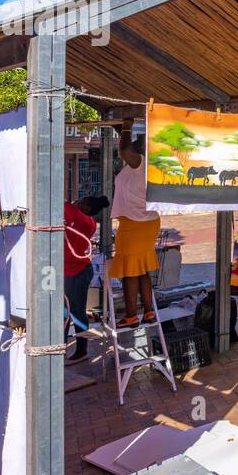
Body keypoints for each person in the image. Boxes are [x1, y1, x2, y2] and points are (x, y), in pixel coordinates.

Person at [111, 127, 160, 328]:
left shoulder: (139, 163)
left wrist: (127, 125)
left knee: (130, 271)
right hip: (148, 221)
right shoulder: (148, 166)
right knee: (141, 269)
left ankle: (131, 315)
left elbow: (124, 149)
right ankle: (148, 312)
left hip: (134, 223)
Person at [64, 195, 109, 362]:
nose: (77, 201)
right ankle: (66, 348)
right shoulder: (91, 222)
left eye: (81, 201)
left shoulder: (74, 214)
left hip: (75, 272)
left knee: (73, 313)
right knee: (70, 312)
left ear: (87, 209)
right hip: (78, 270)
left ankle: (80, 350)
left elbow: (62, 204)